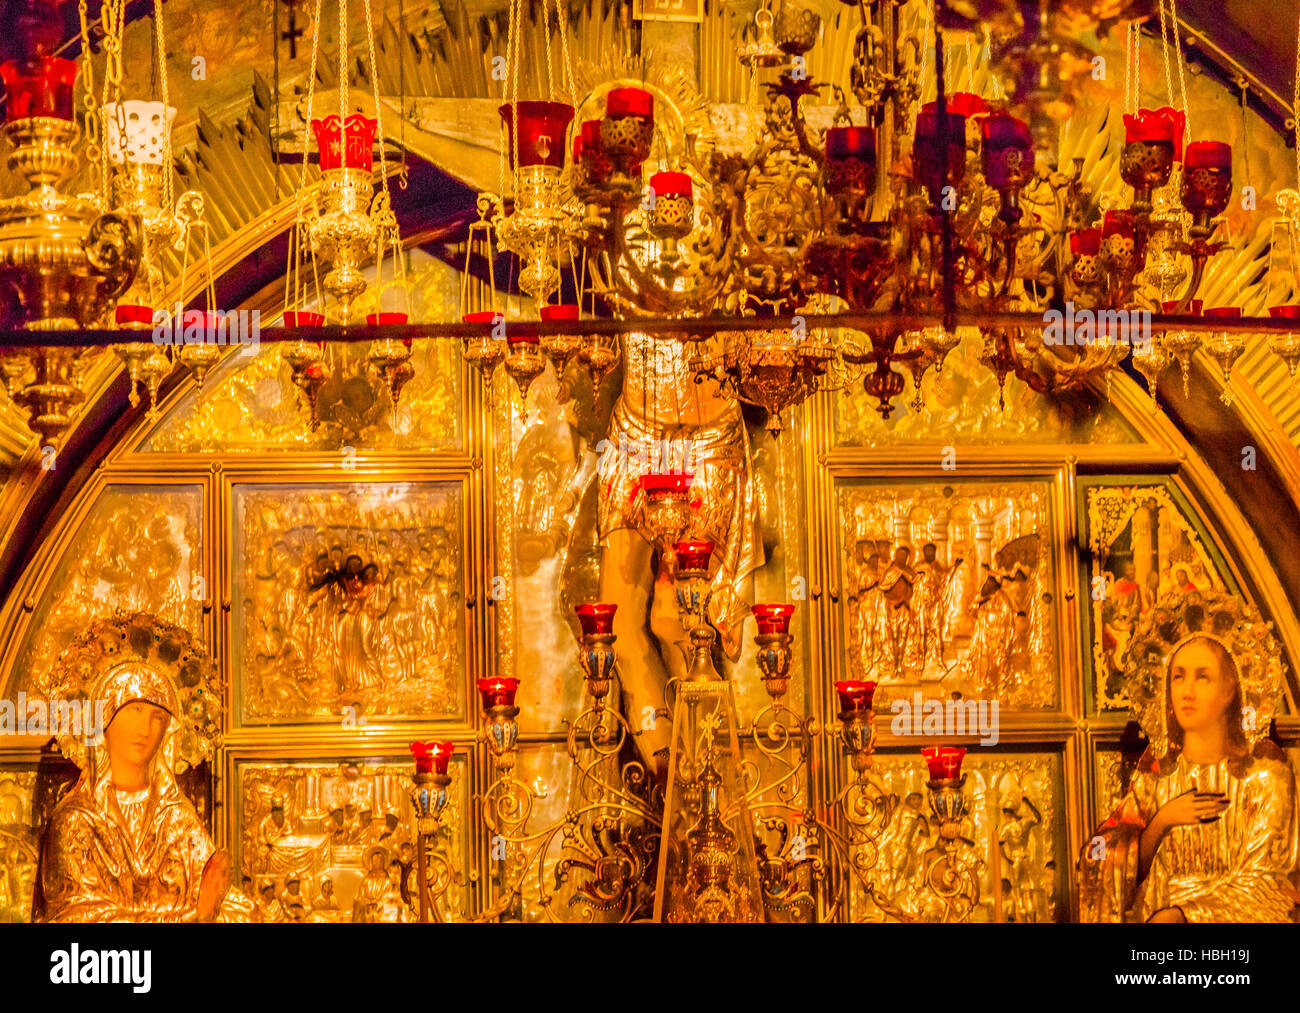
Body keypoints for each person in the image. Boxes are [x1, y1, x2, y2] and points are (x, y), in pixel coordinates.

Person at [1080, 592, 1299, 922]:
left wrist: (1184, 916)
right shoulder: (1156, 776)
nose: (1186, 691)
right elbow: (1096, 854)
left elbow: (1269, 882)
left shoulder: (1265, 777)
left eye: (1203, 676)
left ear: (1230, 689)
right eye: (1178, 675)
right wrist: (1159, 823)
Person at [34, 661, 251, 922]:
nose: (145, 729)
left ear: (168, 731)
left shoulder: (178, 818)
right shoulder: (74, 820)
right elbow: (74, 917)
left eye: (157, 717)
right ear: (105, 720)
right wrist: (193, 916)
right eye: (134, 710)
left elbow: (220, 901)